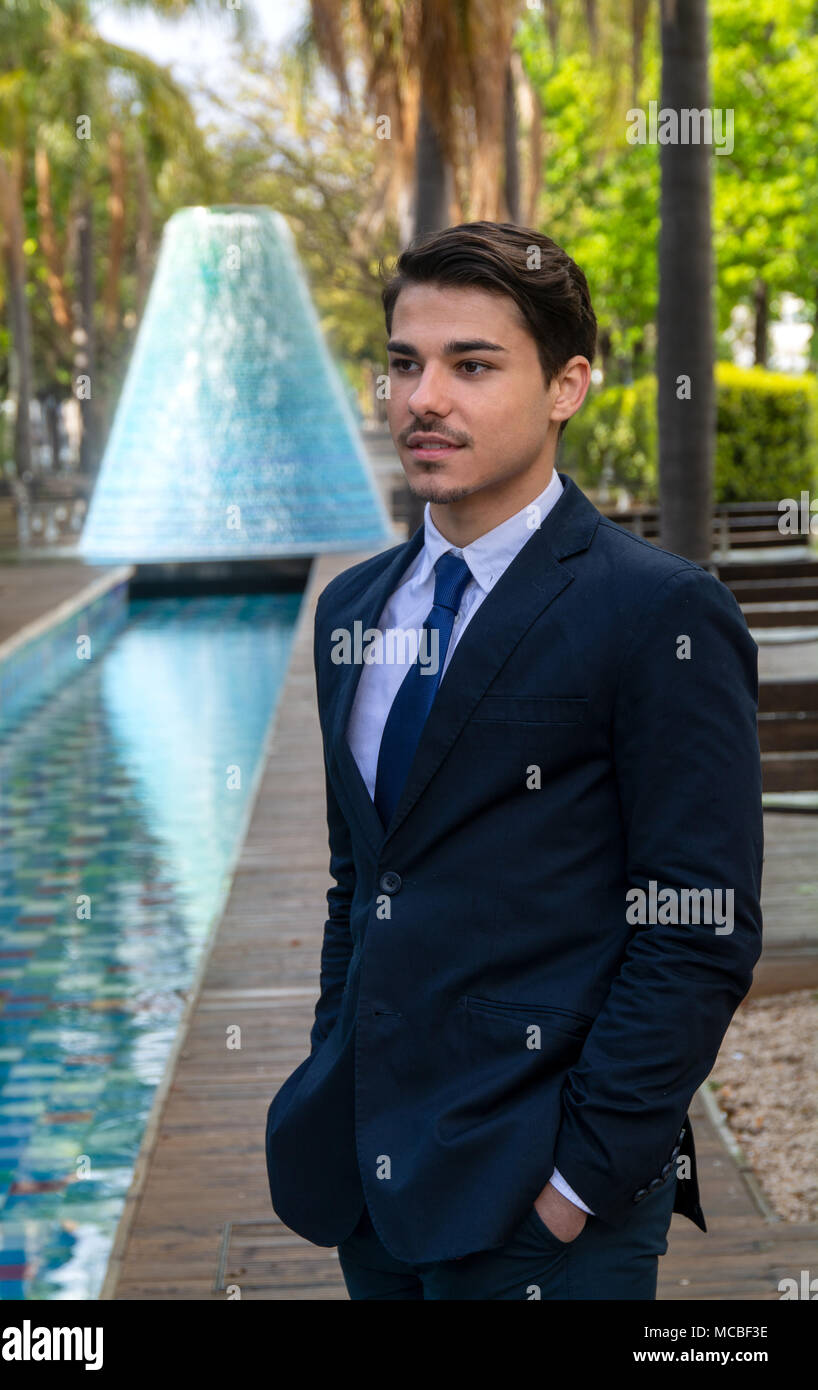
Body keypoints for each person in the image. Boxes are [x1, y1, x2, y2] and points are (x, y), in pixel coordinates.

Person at [265, 221, 763, 1300]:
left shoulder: (657, 613)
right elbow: (363, 881)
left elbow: (695, 929)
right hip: (369, 1180)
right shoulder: (353, 608)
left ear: (565, 387)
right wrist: (331, 1070)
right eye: (404, 362)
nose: (420, 398)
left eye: (471, 365)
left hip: (546, 1204)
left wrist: (577, 1181)